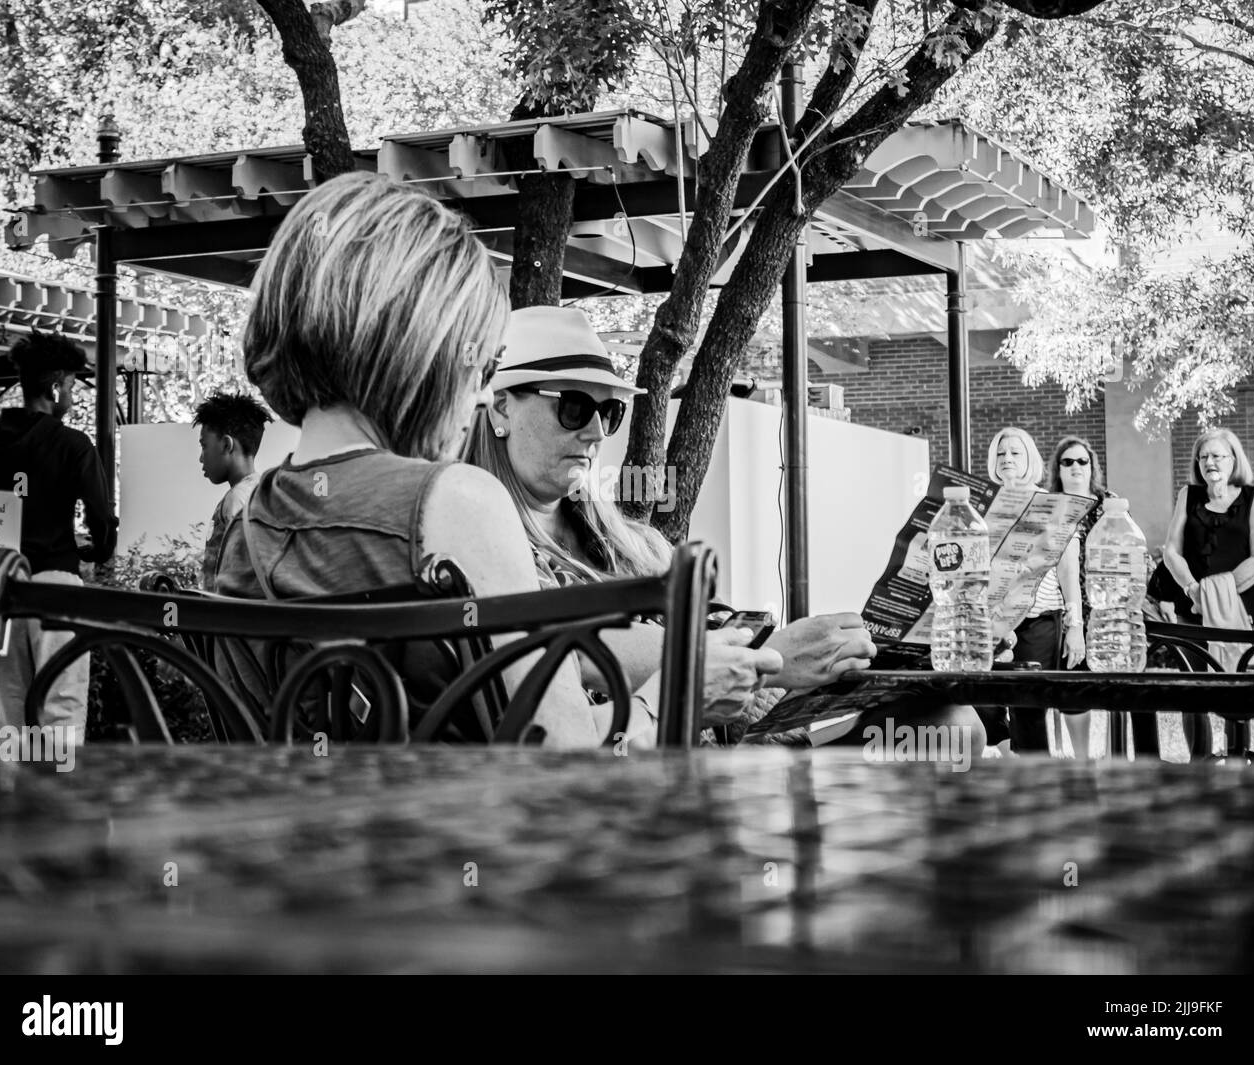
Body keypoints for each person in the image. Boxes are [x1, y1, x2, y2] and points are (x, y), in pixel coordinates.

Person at [212, 172, 777, 748]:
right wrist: (679, 697)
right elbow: (564, 753)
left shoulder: (245, 521)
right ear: (420, 347)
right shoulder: (456, 501)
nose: (482, 394)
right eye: (479, 362)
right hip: (460, 829)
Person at [467, 305, 985, 753]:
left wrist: (860, 648)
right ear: (502, 407)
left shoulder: (631, 542)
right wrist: (772, 659)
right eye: (573, 406)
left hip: (736, 742)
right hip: (638, 773)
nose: (597, 430)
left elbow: (718, 631)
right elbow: (573, 650)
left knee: (954, 727)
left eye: (610, 409)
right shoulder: (486, 540)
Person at [0, 332, 118, 740]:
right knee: (63, 703)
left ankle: (6, 796)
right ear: (55, 388)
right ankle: (62, 794)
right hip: (56, 586)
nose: (72, 394)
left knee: (1, 709)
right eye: (71, 385)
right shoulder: (73, 445)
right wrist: (100, 549)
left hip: (0, 590)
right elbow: (101, 516)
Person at [1157, 427, 1254, 755]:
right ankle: (1199, 763)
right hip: (1189, 606)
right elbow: (1171, 551)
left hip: (1239, 608)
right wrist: (1194, 589)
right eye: (1204, 456)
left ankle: (1237, 761)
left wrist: (1214, 595)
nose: (1209, 462)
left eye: (1217, 455)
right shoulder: (1188, 495)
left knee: (1237, 689)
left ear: (1234, 459)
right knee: (1192, 689)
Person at [985, 426, 1081, 754]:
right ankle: (1009, 757)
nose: (1007, 459)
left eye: (1015, 452)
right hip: (992, 622)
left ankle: (1034, 775)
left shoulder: (1051, 504)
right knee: (983, 702)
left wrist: (1075, 626)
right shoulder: (984, 505)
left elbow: (1068, 569)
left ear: (1031, 459)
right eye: (1000, 453)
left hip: (1039, 620)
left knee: (1027, 706)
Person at [1045, 435, 1113, 759]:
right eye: (1067, 461)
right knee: (1072, 684)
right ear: (1057, 469)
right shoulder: (1049, 507)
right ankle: (1083, 757)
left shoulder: (1109, 505)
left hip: (1105, 609)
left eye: (1081, 461)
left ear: (1092, 467)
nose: (1075, 467)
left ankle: (1126, 756)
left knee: (1122, 685)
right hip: (1062, 609)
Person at [194, 391, 271, 592]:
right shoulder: (263, 490)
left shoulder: (236, 500)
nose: (201, 458)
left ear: (227, 445)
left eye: (204, 446)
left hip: (225, 611)